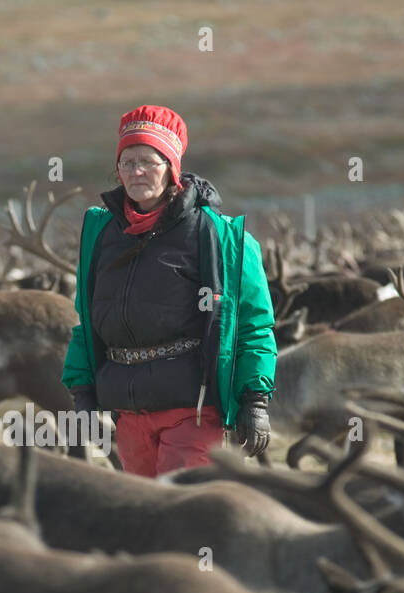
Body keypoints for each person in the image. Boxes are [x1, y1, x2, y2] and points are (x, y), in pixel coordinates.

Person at [61, 104, 277, 477]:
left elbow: (253, 325)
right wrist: (82, 394)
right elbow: (88, 321)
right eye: (127, 162)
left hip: (191, 410)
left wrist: (254, 401)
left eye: (148, 160)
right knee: (145, 521)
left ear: (172, 168)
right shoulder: (101, 234)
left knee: (182, 517)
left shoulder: (220, 238)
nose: (136, 171)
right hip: (127, 413)